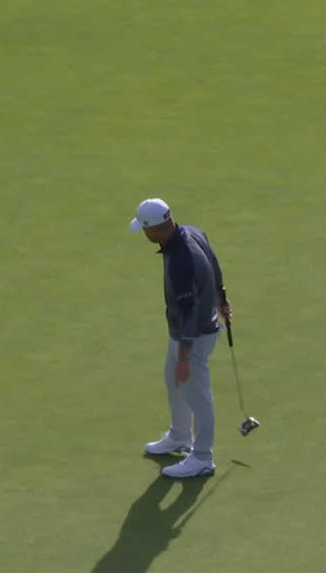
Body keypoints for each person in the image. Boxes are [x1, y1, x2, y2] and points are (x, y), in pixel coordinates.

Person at [129, 198, 232, 479]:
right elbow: (214, 263)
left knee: (197, 394)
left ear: (154, 229)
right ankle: (179, 436)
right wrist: (222, 299)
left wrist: (185, 356)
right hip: (186, 332)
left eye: (144, 229)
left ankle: (202, 457)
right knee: (173, 382)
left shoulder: (180, 261)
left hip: (195, 334)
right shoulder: (192, 232)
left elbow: (189, 311)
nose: (144, 234)